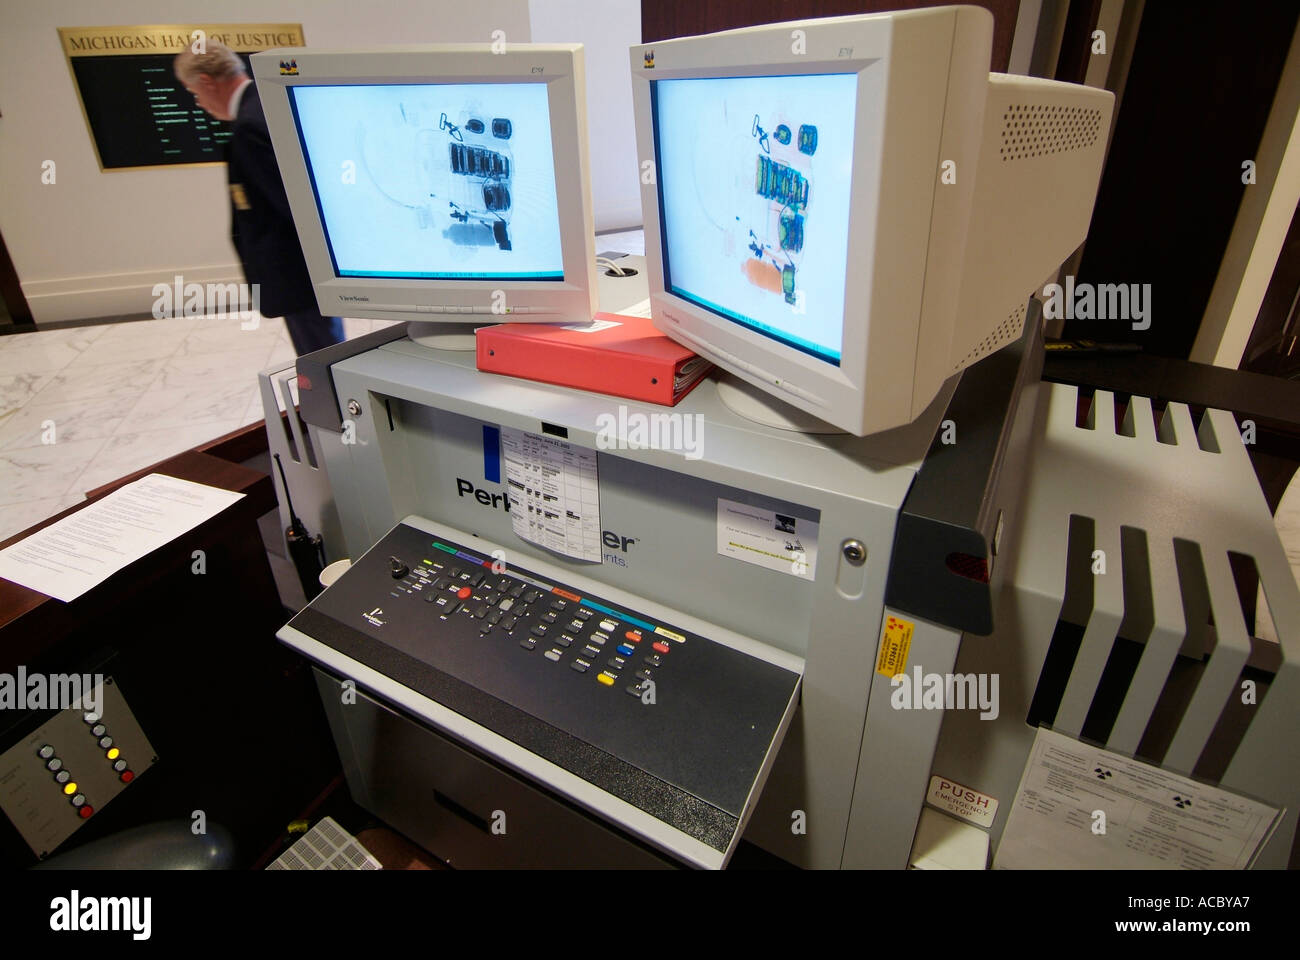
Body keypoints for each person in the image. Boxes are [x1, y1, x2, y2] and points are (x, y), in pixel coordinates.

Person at [174, 42, 345, 355]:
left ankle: (332, 401)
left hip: (296, 271)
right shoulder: (270, 104)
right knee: (322, 347)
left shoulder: (250, 127)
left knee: (321, 354)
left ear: (208, 82)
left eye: (194, 92)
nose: (198, 103)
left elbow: (292, 206)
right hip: (306, 271)